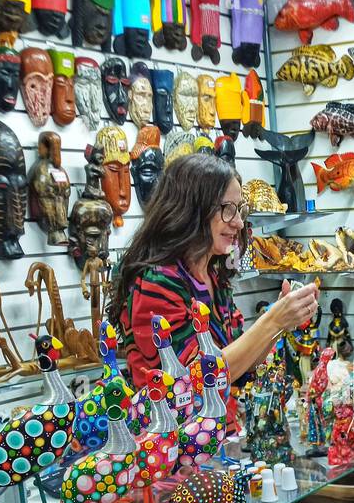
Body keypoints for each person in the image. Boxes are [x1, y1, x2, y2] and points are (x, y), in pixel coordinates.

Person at [108, 153, 320, 412]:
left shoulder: (214, 278)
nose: (239, 222)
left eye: (240, 209)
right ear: (192, 208)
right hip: (172, 444)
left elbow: (242, 365)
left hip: (215, 439)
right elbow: (195, 381)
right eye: (228, 209)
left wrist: (282, 321)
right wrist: (273, 321)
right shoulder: (155, 283)